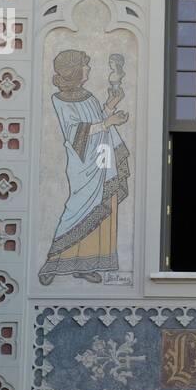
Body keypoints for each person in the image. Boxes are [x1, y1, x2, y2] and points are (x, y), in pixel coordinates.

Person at [39, 49, 130, 284]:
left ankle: (87, 264)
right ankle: (53, 263)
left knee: (103, 209)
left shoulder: (88, 96)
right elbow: (75, 133)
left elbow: (96, 119)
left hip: (101, 158)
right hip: (83, 165)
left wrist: (110, 105)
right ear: (74, 70)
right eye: (85, 65)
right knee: (76, 210)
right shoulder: (59, 100)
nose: (89, 68)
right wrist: (109, 121)